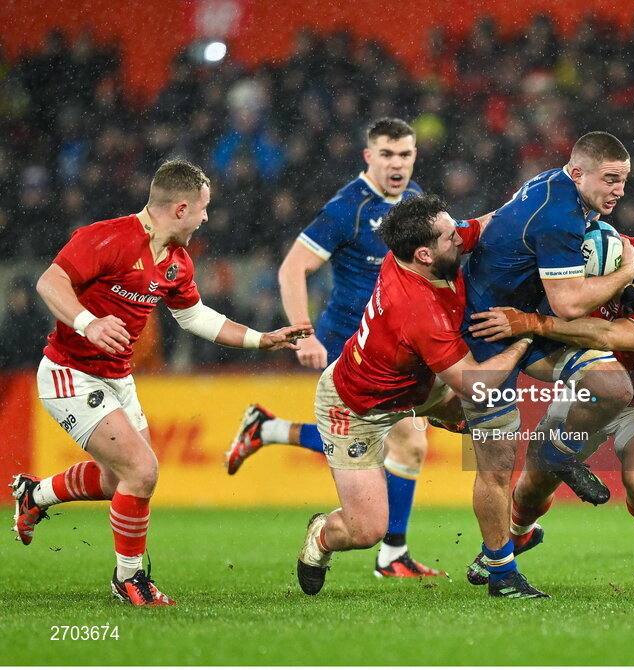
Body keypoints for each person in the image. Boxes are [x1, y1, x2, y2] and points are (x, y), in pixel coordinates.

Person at [11, 159, 310, 606]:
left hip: (117, 378)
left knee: (122, 481)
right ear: (180, 208)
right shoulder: (107, 236)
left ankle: (36, 494)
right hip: (69, 374)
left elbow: (194, 317)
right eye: (203, 209)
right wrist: (88, 322)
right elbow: (49, 282)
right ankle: (128, 579)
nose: (207, 217)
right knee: (142, 470)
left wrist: (260, 339)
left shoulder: (177, 262)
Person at [457, 131, 634, 596]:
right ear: (578, 173)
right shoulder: (559, 217)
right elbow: (570, 304)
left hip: (529, 323)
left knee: (614, 389)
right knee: (494, 464)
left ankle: (559, 450)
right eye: (611, 179)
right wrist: (627, 273)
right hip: (489, 330)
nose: (619, 190)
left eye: (625, 180)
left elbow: (502, 224)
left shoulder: (556, 186)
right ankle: (501, 572)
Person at [224, 118, 446, 578]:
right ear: (369, 157)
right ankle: (391, 554)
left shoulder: (415, 201)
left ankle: (266, 430)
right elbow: (291, 269)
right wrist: (303, 333)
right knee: (400, 440)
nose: (397, 164)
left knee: (402, 444)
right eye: (387, 154)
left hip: (396, 349)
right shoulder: (349, 208)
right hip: (348, 345)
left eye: (405, 155)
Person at [294, 194, 535, 598]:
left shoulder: (412, 253)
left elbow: (492, 219)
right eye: (448, 236)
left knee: (492, 429)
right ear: (424, 254)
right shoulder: (417, 309)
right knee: (366, 530)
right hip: (355, 407)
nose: (458, 238)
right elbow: (474, 383)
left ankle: (514, 529)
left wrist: (545, 190)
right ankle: (321, 535)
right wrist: (525, 335)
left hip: (415, 386)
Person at [468, 213, 634, 597]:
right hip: (588, 390)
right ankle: (515, 537)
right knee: (533, 484)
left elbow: (606, 333)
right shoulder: (617, 250)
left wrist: (532, 323)